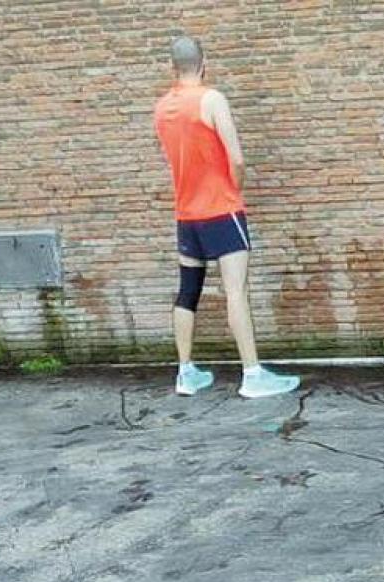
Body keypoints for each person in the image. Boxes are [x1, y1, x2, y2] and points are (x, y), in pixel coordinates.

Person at [154, 36, 300, 399]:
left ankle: (185, 373)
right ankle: (252, 375)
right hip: (220, 209)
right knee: (236, 291)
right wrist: (234, 191)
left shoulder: (162, 107)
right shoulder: (212, 99)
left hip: (186, 214)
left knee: (188, 291)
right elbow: (237, 158)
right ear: (204, 63)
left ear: (172, 67)